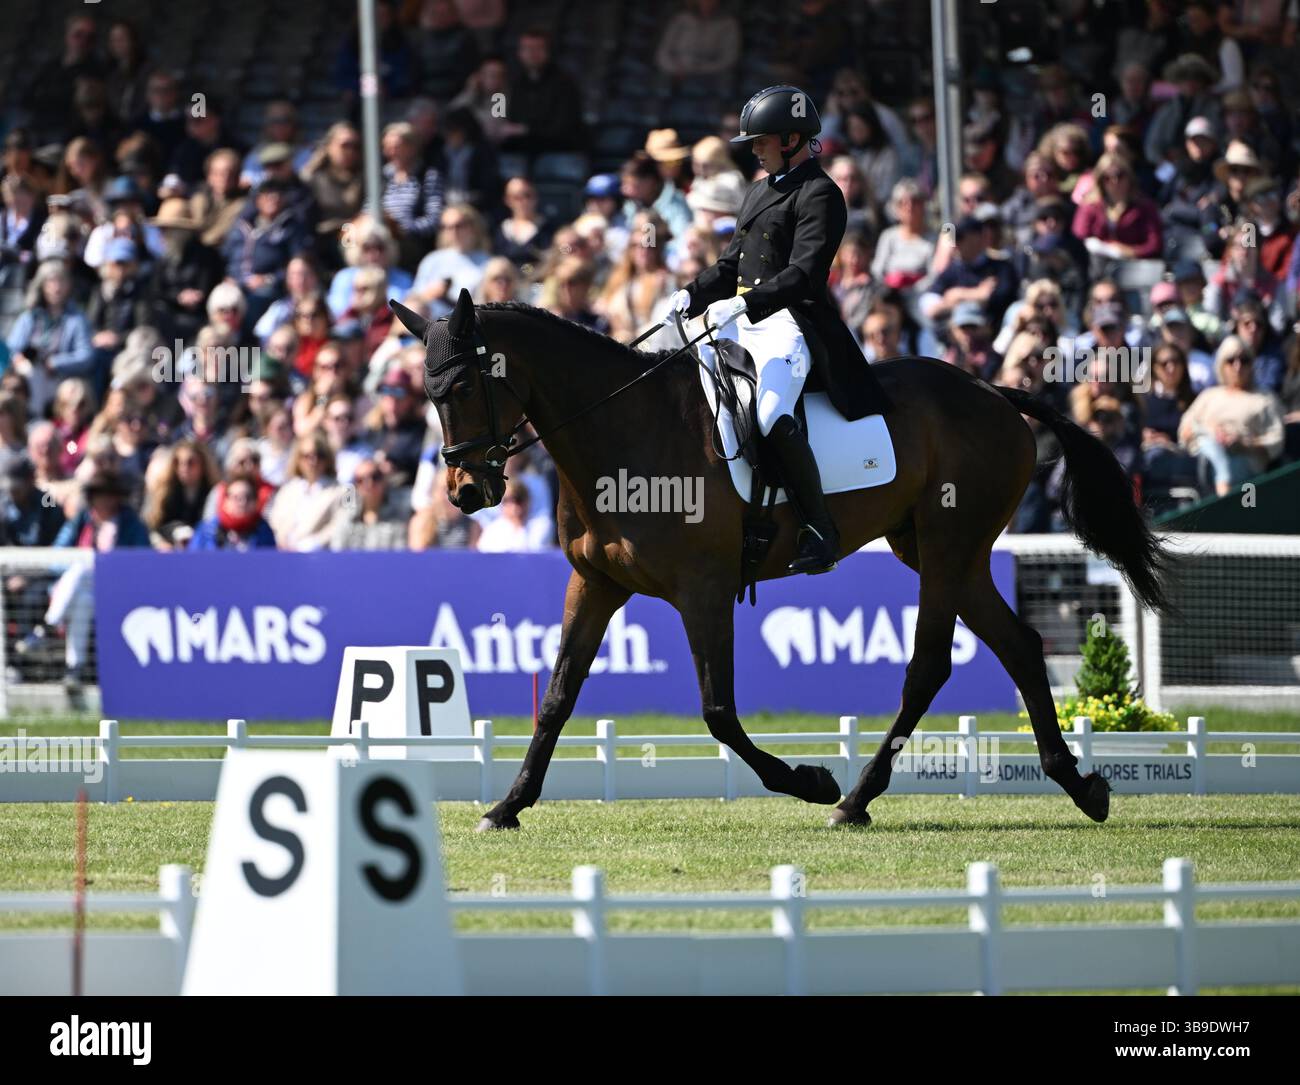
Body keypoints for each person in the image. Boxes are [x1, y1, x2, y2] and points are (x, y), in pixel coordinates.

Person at [669, 85, 890, 575]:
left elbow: (803, 274)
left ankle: (819, 529)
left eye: (762, 140)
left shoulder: (821, 194)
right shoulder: (760, 189)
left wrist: (747, 303)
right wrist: (692, 293)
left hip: (790, 325)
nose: (754, 148)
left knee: (770, 414)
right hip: (741, 322)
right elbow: (730, 265)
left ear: (792, 138)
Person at [1178, 336, 1286, 494]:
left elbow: (1276, 441)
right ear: (1221, 365)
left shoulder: (1265, 399)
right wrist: (1211, 431)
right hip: (1203, 455)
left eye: (1244, 360)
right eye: (1231, 361)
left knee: (1225, 468)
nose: (1238, 366)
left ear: (1252, 364)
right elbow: (1184, 431)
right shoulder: (1209, 395)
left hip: (1243, 464)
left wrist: (1243, 442)